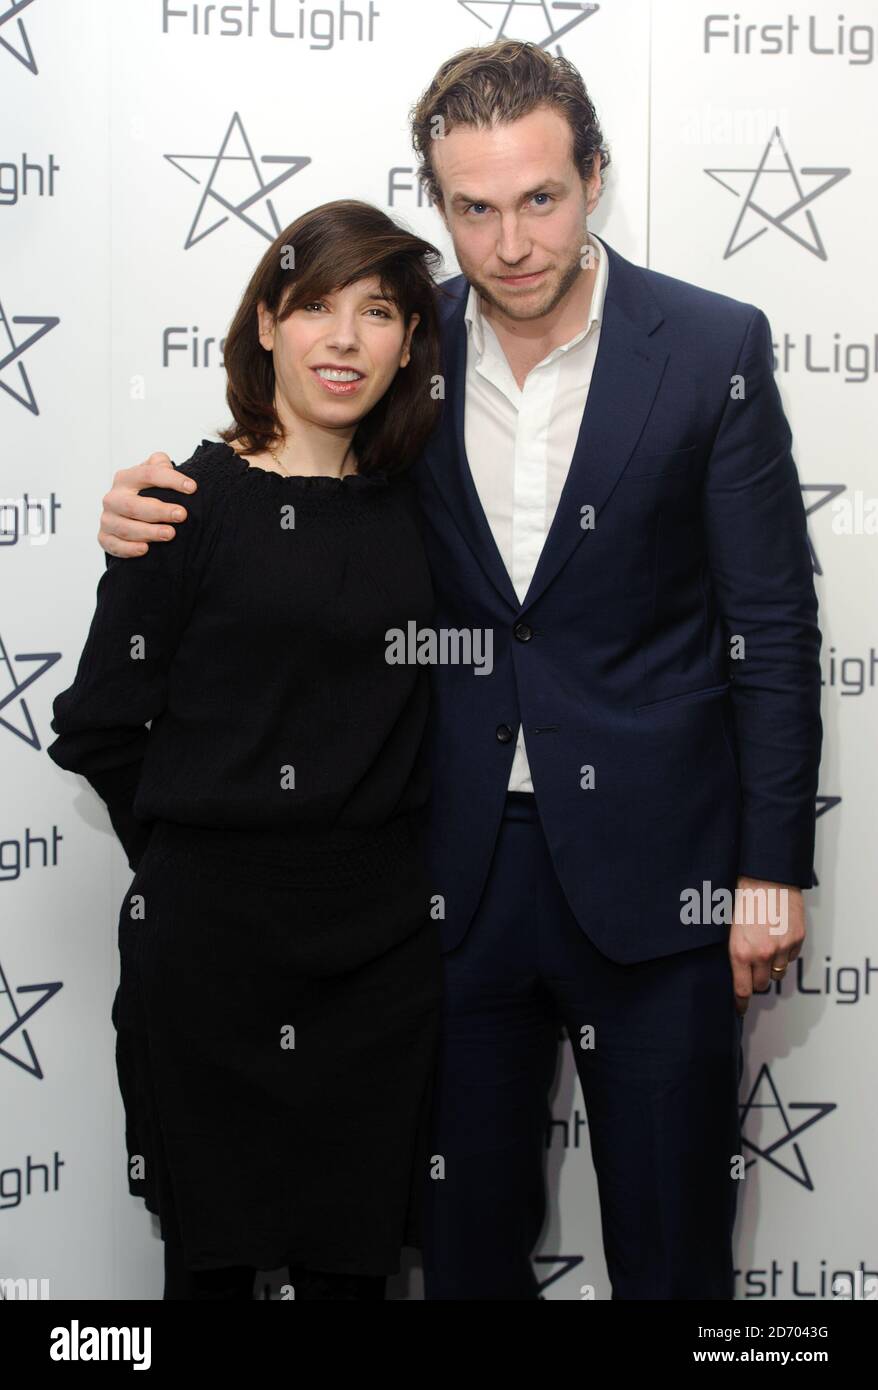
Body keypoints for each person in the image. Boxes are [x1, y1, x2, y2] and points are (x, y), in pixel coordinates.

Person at [92, 42, 823, 1300]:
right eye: (472, 208)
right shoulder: (388, 345)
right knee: (458, 1254)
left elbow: (769, 623)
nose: (510, 240)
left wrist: (768, 866)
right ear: (438, 206)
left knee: (671, 1252)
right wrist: (149, 506)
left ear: (593, 177)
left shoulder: (710, 347)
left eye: (539, 197)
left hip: (658, 880)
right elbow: (284, 490)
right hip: (437, 883)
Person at [47, 199, 446, 1301]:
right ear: (264, 323)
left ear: (411, 342)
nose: (342, 338)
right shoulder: (182, 502)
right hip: (209, 963)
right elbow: (96, 723)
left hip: (379, 965)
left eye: (376, 312)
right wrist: (192, 845)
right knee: (211, 1274)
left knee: (353, 1272)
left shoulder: (421, 506)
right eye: (313, 304)